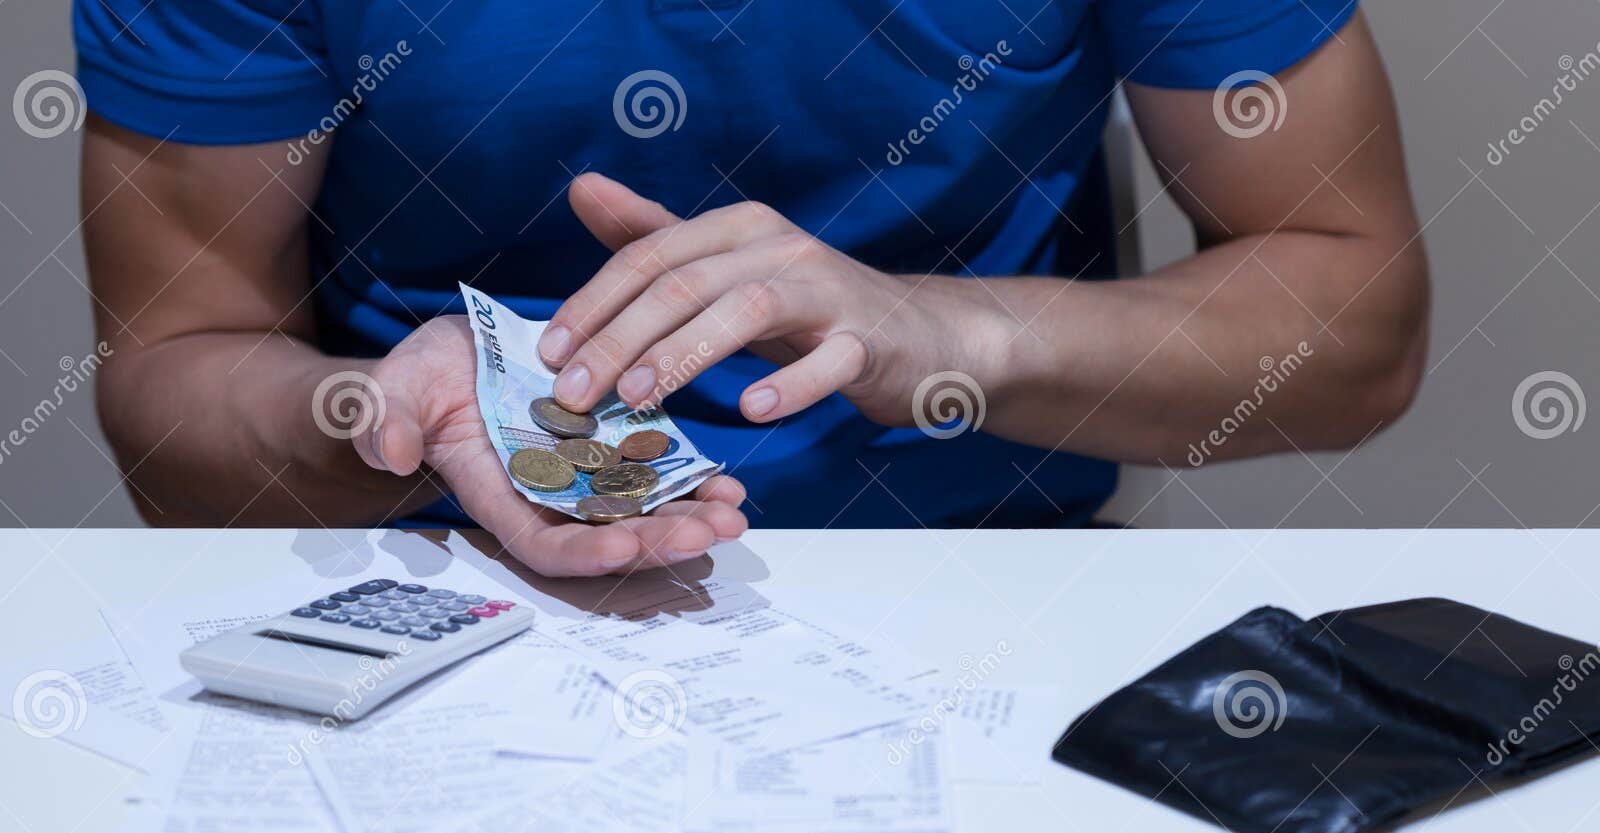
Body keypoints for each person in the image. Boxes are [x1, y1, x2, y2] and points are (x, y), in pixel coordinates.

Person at [75, 1, 1427, 576]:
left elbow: (1356, 312)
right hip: (437, 598)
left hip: (978, 591)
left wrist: (952, 333)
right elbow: (174, 368)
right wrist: (369, 414)